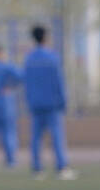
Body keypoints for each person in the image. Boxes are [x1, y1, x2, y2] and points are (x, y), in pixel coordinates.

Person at [24, 25, 76, 179]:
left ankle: (37, 169)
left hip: (35, 104)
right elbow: (58, 81)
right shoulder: (52, 58)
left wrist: (29, 100)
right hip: (52, 104)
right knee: (57, 137)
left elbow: (26, 82)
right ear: (45, 37)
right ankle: (61, 167)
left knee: (35, 138)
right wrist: (63, 101)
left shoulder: (29, 59)